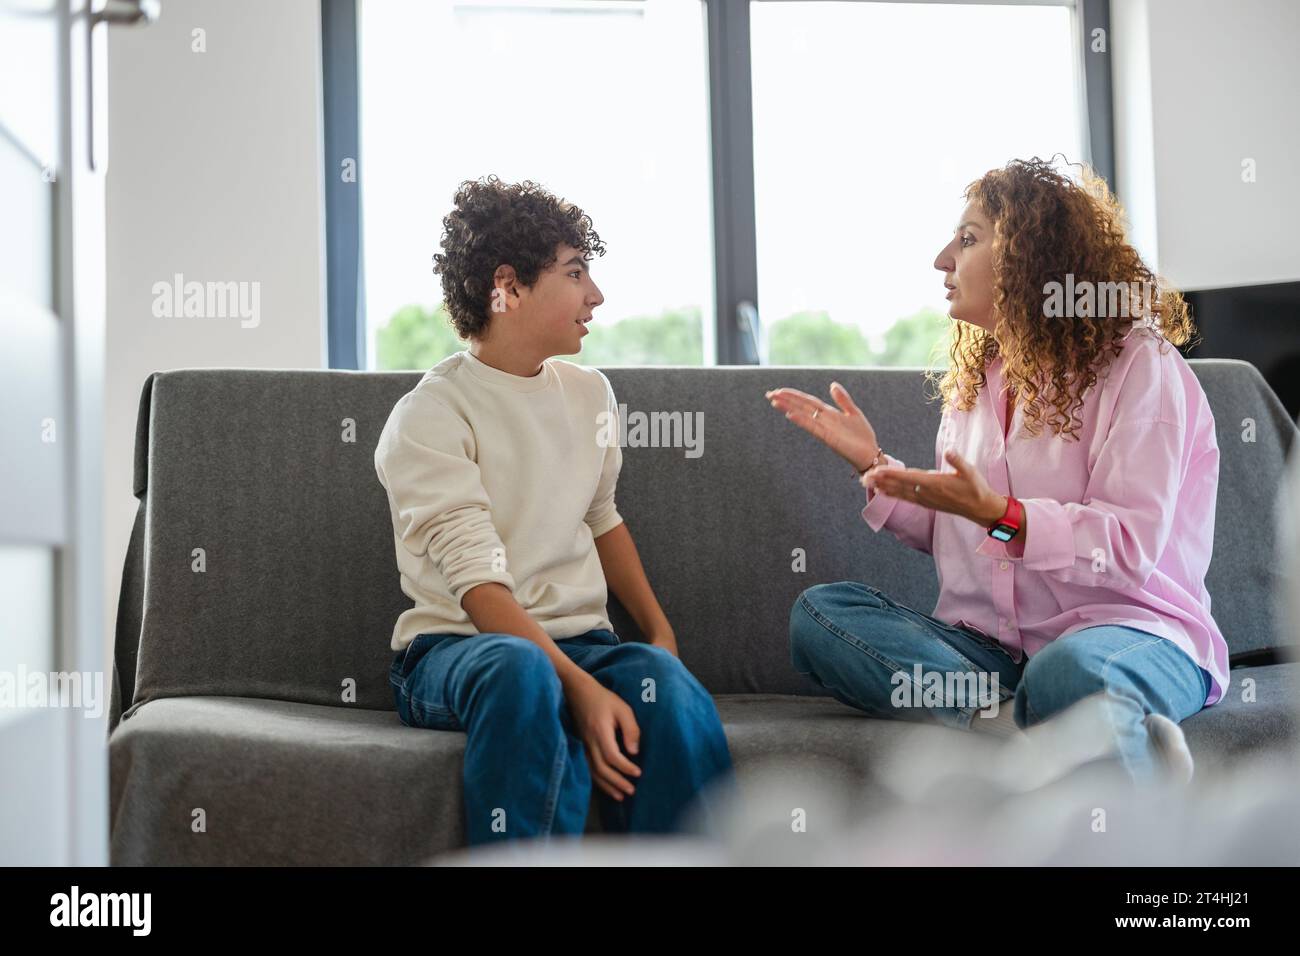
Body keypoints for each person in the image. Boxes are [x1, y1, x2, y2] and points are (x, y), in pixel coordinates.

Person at [768, 157, 1227, 787]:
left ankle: (1109, 790)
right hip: (992, 652)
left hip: (1127, 636)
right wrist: (874, 466)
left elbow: (1126, 548)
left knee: (1067, 672)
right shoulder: (975, 386)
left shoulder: (1139, 368)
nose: (941, 260)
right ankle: (1025, 725)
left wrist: (1002, 517)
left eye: (967, 238)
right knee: (821, 616)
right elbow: (960, 530)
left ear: (1029, 255)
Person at [376, 176, 733, 845]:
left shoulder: (589, 393)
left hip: (585, 643)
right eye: (575, 273)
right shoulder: (430, 416)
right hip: (461, 652)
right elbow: (480, 590)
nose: (595, 295)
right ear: (506, 287)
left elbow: (603, 518)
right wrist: (582, 691)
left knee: (667, 687)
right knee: (524, 671)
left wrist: (660, 634)